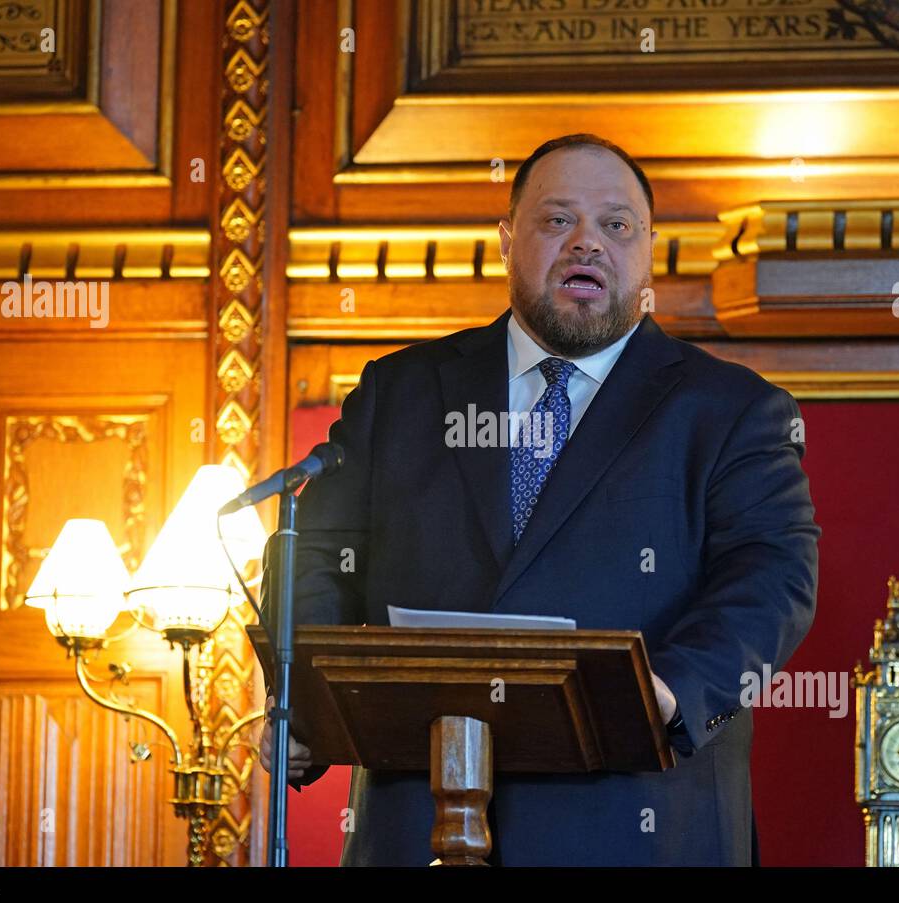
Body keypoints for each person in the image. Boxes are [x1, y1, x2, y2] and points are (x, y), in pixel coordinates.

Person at [263, 132, 820, 865]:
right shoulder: (399, 393)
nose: (586, 243)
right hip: (421, 820)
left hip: (638, 821)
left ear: (647, 250)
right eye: (558, 220)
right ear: (506, 240)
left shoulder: (731, 410)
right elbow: (313, 561)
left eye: (616, 225)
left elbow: (774, 576)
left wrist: (670, 691)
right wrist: (312, 700)